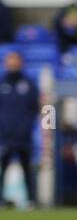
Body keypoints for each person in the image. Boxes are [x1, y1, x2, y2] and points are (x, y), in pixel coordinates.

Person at [0, 50, 39, 206]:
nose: (13, 64)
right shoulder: (2, 83)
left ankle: (30, 200)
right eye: (10, 61)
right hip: (5, 135)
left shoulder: (29, 84)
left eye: (15, 61)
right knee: (3, 168)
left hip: (24, 135)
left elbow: (37, 108)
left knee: (27, 168)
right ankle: (1, 200)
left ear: (21, 63)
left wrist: (29, 126)